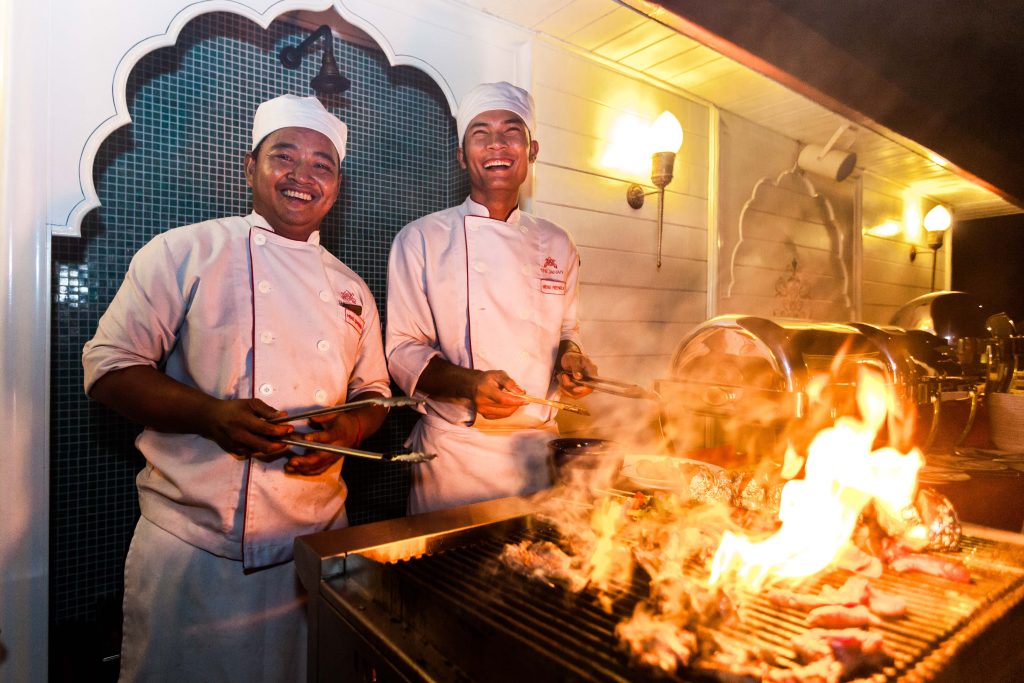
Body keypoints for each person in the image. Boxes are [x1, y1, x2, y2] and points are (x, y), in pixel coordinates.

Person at [82, 94, 391, 682]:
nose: (302, 176)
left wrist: (349, 427)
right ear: (249, 168)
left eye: (322, 165)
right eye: (284, 157)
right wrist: (210, 415)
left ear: (337, 186)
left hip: (317, 545)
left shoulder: (353, 289)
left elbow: (374, 392)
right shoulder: (185, 252)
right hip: (197, 555)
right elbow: (108, 367)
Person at [386, 81, 597, 515]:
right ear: (462, 156)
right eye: (480, 134)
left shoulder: (558, 243)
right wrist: (469, 384)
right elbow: (402, 352)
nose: (497, 144)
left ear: (531, 149)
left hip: (536, 455)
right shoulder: (421, 239)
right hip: (454, 460)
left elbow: (567, 332)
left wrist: (571, 358)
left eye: (511, 132)